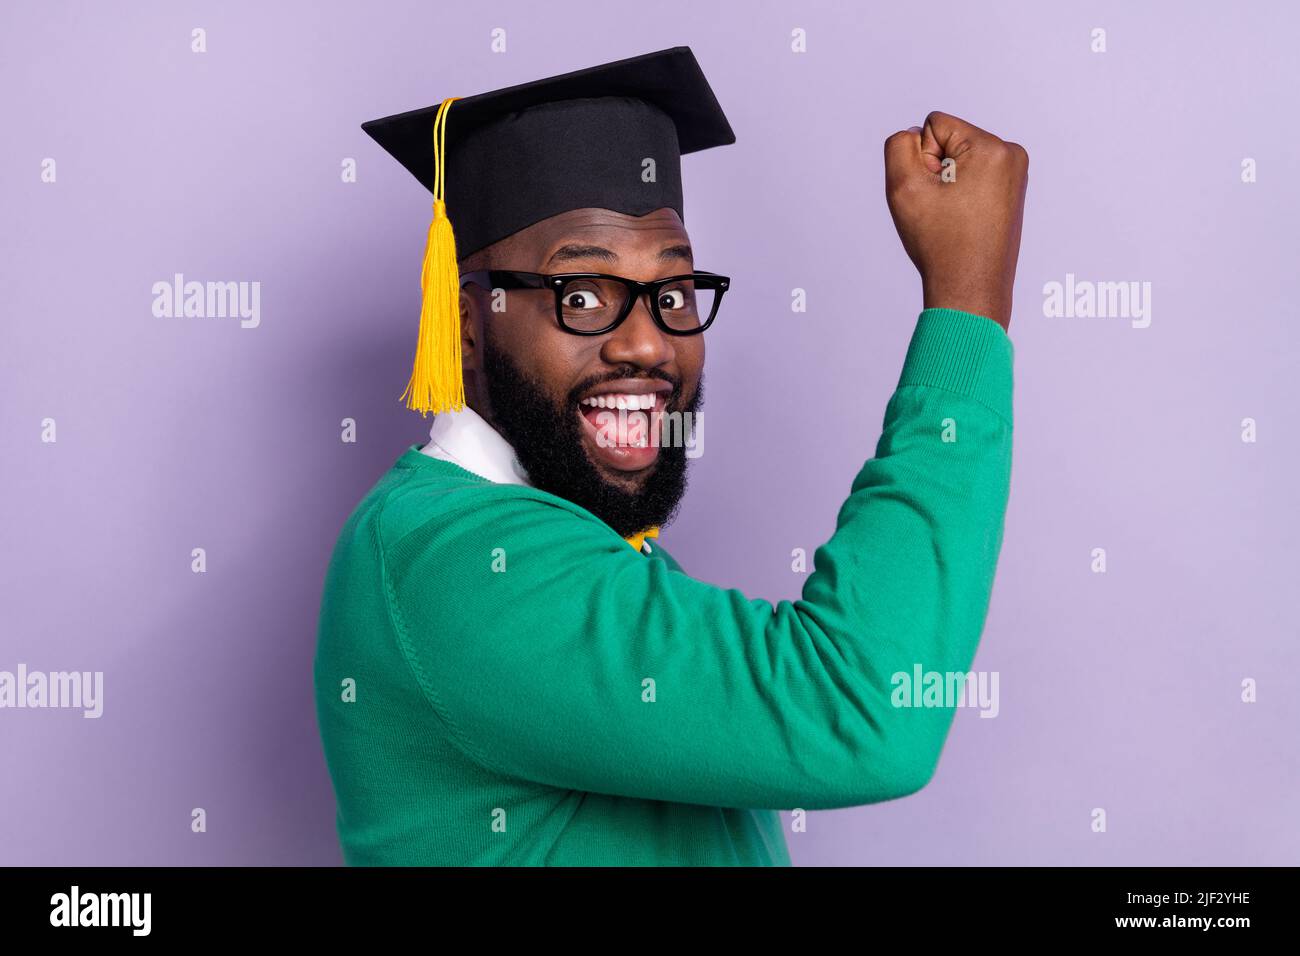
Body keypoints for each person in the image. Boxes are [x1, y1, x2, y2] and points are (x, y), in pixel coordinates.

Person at [314, 46, 1028, 866]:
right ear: (468, 329)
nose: (649, 342)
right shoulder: (462, 560)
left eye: (674, 292)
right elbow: (863, 706)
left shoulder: (577, 532)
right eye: (581, 296)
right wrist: (968, 305)